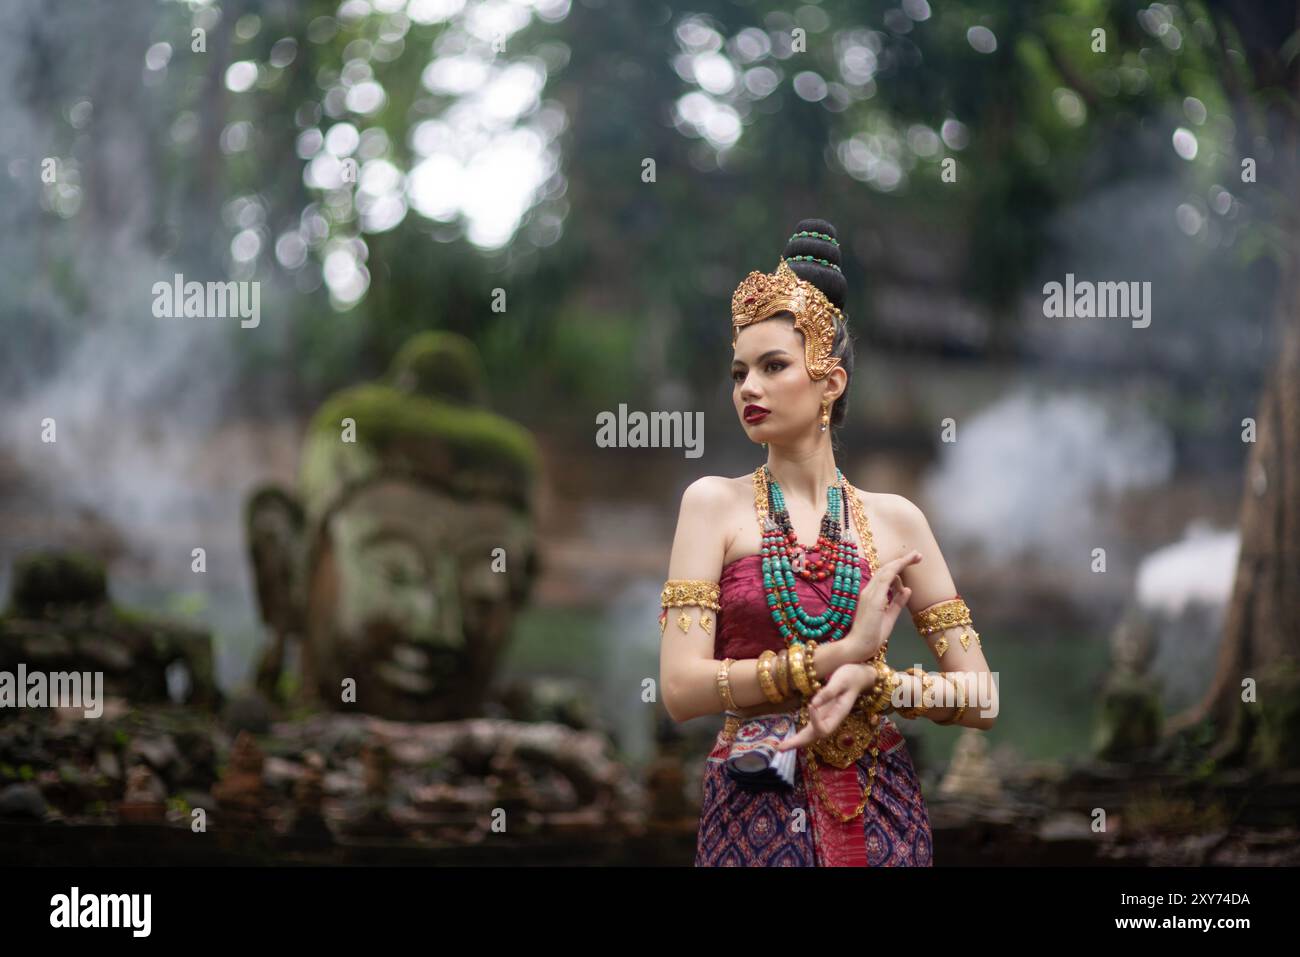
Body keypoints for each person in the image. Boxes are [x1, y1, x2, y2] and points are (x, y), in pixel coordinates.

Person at [659, 218, 998, 866]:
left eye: (772, 365)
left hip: (880, 806)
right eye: (739, 372)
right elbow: (679, 688)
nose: (748, 388)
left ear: (831, 380)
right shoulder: (711, 505)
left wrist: (876, 687)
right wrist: (840, 653)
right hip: (754, 808)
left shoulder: (896, 520)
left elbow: (980, 694)